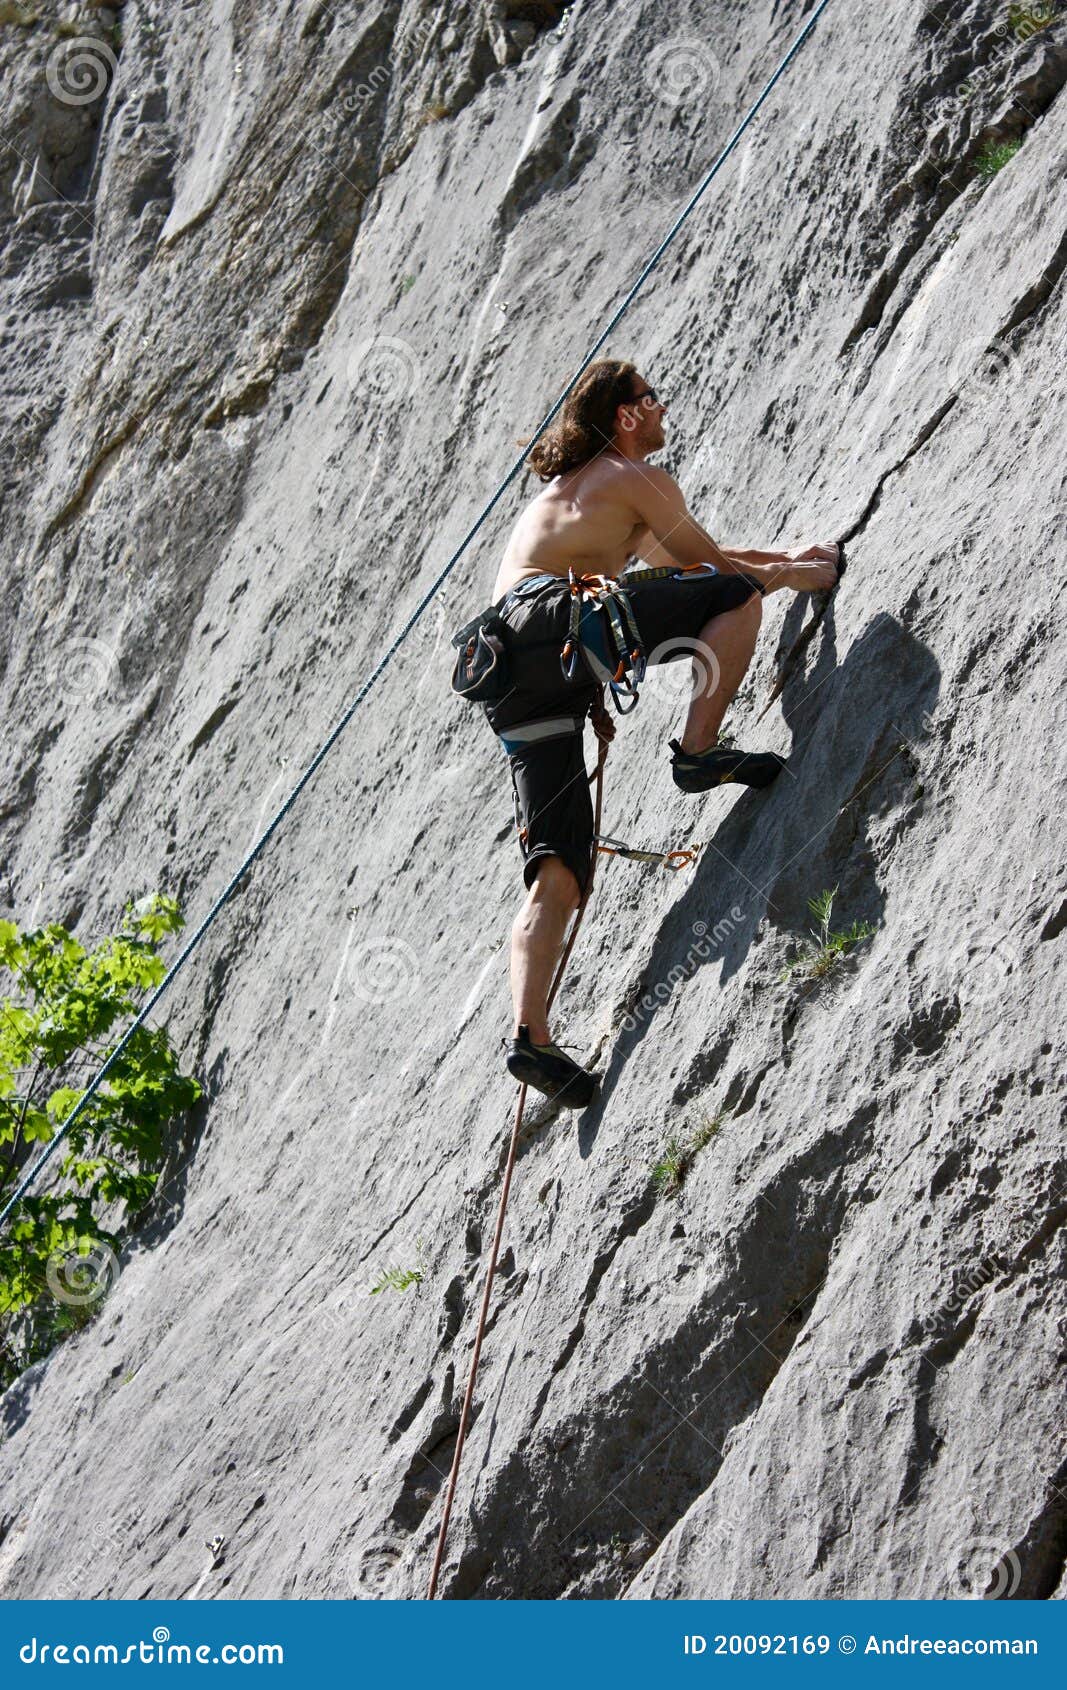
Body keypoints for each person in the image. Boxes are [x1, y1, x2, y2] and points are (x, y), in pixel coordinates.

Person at [483, 359, 839, 1108]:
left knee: (557, 867)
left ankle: (530, 1036)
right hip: (562, 625)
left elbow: (687, 572)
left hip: (506, 670)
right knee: (739, 599)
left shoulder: (579, 498)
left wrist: (783, 559)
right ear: (623, 417)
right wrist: (796, 575)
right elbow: (720, 576)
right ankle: (698, 751)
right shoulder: (631, 475)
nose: (661, 405)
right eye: (649, 397)